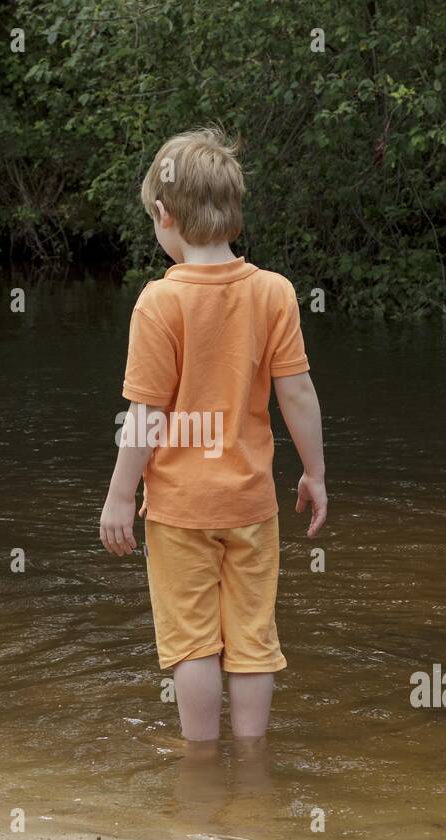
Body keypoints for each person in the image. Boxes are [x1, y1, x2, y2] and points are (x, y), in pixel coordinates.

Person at [100, 126, 328, 742]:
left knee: (192, 641)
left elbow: (145, 415)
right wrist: (315, 472)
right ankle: (253, 759)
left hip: (178, 507)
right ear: (232, 211)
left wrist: (121, 494)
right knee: (253, 636)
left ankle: (200, 762)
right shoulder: (274, 292)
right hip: (252, 502)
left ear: (163, 213)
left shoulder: (159, 303)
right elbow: (297, 394)